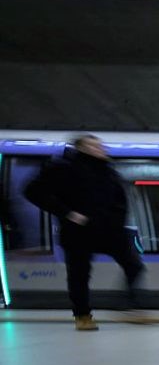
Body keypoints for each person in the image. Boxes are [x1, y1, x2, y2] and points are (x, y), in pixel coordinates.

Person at [22, 134, 147, 331]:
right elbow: (32, 191)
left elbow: (117, 199)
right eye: (93, 146)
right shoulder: (62, 167)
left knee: (134, 265)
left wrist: (117, 222)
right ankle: (82, 315)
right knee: (79, 274)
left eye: (100, 145)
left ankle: (128, 305)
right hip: (78, 232)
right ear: (80, 148)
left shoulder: (107, 170)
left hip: (110, 231)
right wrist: (67, 213)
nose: (101, 149)